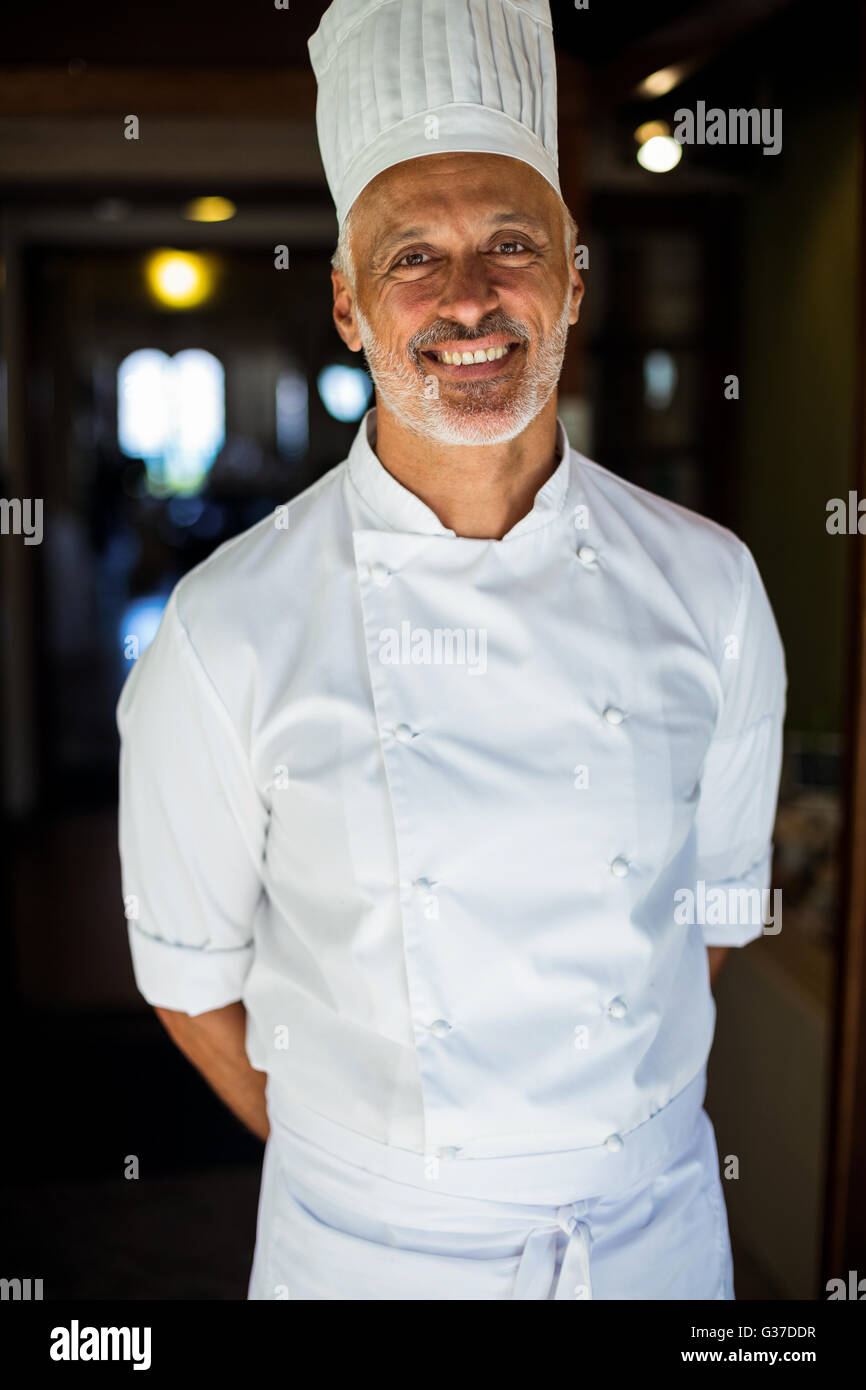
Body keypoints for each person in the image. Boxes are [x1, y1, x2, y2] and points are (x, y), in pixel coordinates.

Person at [116, 0, 787, 1300]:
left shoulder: (710, 584)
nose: (469, 296)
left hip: (651, 1233)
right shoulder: (228, 624)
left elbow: (707, 915)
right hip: (366, 1256)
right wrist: (390, 1178)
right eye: (410, 254)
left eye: (512, 242)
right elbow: (192, 987)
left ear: (574, 282)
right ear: (348, 306)